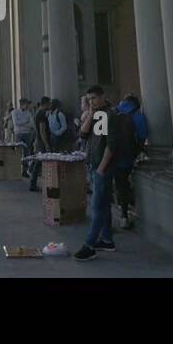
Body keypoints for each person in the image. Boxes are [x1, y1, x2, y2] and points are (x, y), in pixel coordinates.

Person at [74, 85, 138, 262]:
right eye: (89, 99)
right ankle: (107, 239)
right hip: (95, 165)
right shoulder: (99, 115)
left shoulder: (110, 115)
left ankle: (89, 244)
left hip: (103, 167)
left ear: (103, 97)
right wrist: (90, 113)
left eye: (94, 98)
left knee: (97, 207)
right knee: (103, 204)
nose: (91, 101)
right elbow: (84, 134)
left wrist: (102, 167)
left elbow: (111, 144)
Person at [114, 94, 147, 228]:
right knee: (124, 182)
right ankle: (127, 208)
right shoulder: (138, 116)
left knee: (120, 183)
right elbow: (142, 136)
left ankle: (124, 214)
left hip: (114, 155)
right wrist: (135, 153)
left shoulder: (115, 111)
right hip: (128, 156)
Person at [28, 97, 54, 192]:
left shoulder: (38, 113)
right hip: (41, 142)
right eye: (50, 103)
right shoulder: (41, 114)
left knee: (37, 163)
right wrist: (46, 144)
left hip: (39, 141)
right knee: (38, 163)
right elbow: (42, 130)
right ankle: (32, 184)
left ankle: (32, 183)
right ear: (46, 104)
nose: (51, 105)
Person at [12, 99, 36, 178]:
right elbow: (16, 123)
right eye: (26, 104)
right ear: (22, 104)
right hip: (18, 134)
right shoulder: (14, 112)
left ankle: (24, 171)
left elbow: (32, 124)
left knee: (26, 152)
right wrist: (26, 122)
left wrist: (23, 124)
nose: (28, 106)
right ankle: (16, 170)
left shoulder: (28, 113)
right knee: (18, 152)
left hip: (27, 134)